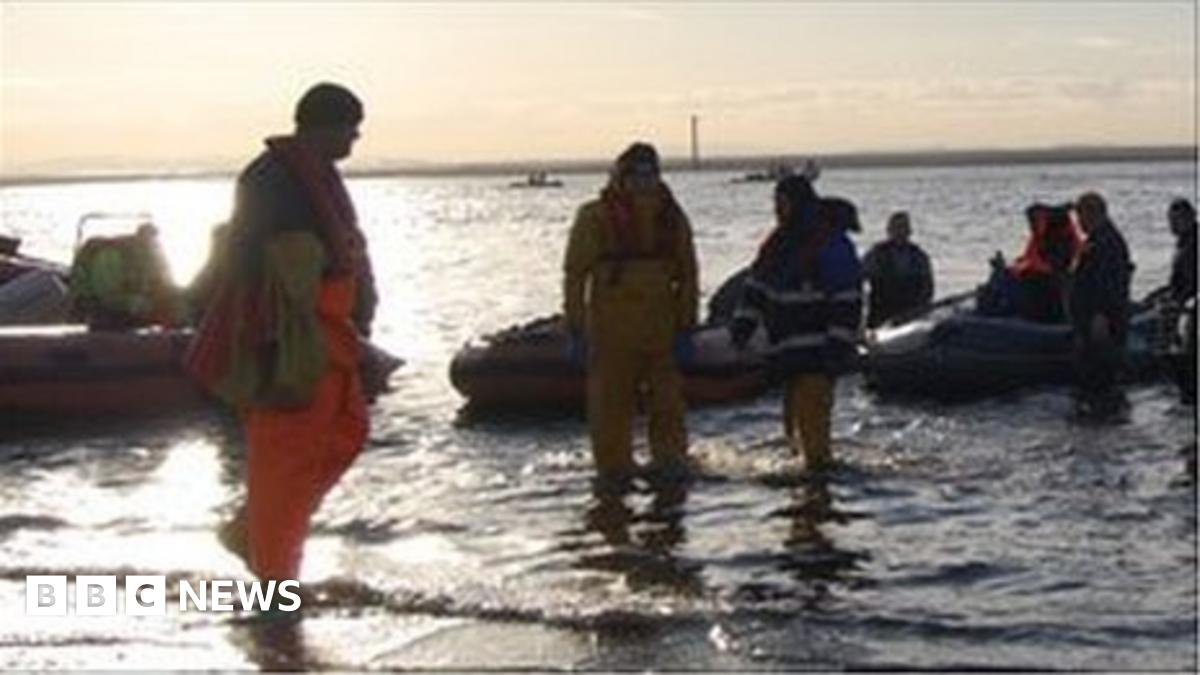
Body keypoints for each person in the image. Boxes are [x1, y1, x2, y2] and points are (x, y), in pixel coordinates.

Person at [184, 82, 377, 583]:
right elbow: (253, 264)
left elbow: (345, 251)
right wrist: (267, 338)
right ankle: (275, 587)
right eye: (351, 128)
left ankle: (251, 531)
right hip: (286, 339)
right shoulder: (270, 179)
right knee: (285, 463)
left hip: (331, 333)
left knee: (348, 432)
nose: (355, 138)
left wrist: (362, 315)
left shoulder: (318, 175)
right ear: (324, 125)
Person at [562, 142, 699, 484]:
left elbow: (688, 274)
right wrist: (576, 328)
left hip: (661, 331)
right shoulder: (594, 217)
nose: (644, 181)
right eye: (637, 174)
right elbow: (575, 274)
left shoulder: (672, 217)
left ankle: (670, 469)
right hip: (612, 335)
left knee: (668, 408)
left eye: (650, 173)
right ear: (621, 176)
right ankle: (614, 474)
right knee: (610, 410)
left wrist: (687, 326)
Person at [729, 176, 862, 470]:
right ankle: (802, 476)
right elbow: (756, 289)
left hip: (818, 353)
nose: (777, 210)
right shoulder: (776, 244)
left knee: (813, 429)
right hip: (787, 353)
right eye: (776, 203)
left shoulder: (830, 243)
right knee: (793, 427)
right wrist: (741, 330)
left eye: (782, 203)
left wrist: (838, 345)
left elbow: (848, 298)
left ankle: (818, 478)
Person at [1068, 192, 1133, 416]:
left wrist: (1101, 314)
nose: (1079, 223)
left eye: (1081, 216)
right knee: (1091, 378)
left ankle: (1107, 418)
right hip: (1089, 321)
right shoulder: (1095, 240)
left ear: (1093, 213)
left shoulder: (1108, 242)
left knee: (1101, 377)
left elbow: (1110, 282)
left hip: (1102, 322)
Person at [67, 222, 182, 330]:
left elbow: (162, 284)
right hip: (107, 319)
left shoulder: (148, 258)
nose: (155, 247)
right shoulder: (112, 256)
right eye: (152, 243)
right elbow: (108, 296)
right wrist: (139, 306)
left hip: (131, 319)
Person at [860, 211, 933, 328]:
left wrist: (921, 308)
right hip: (881, 316)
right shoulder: (876, 255)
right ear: (889, 230)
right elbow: (859, 279)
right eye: (896, 228)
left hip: (911, 316)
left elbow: (928, 288)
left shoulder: (919, 257)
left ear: (909, 231)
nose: (900, 232)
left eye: (903, 227)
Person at [1167, 198, 1197, 404]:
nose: (1172, 226)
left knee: (1187, 360)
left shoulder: (1192, 244)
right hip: (1184, 306)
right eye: (1170, 221)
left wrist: (1179, 299)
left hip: (1191, 309)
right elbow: (1179, 279)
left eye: (1175, 221)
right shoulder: (1184, 243)